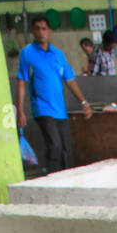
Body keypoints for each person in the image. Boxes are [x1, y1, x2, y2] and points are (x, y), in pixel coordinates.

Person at [17, 14, 92, 174]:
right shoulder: (27, 53)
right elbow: (21, 81)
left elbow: (70, 80)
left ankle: (66, 181)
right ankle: (53, 180)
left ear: (49, 31)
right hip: (42, 109)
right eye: (37, 28)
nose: (41, 32)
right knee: (55, 145)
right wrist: (21, 110)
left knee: (65, 149)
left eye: (44, 28)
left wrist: (84, 102)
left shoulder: (58, 55)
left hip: (60, 110)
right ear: (33, 31)